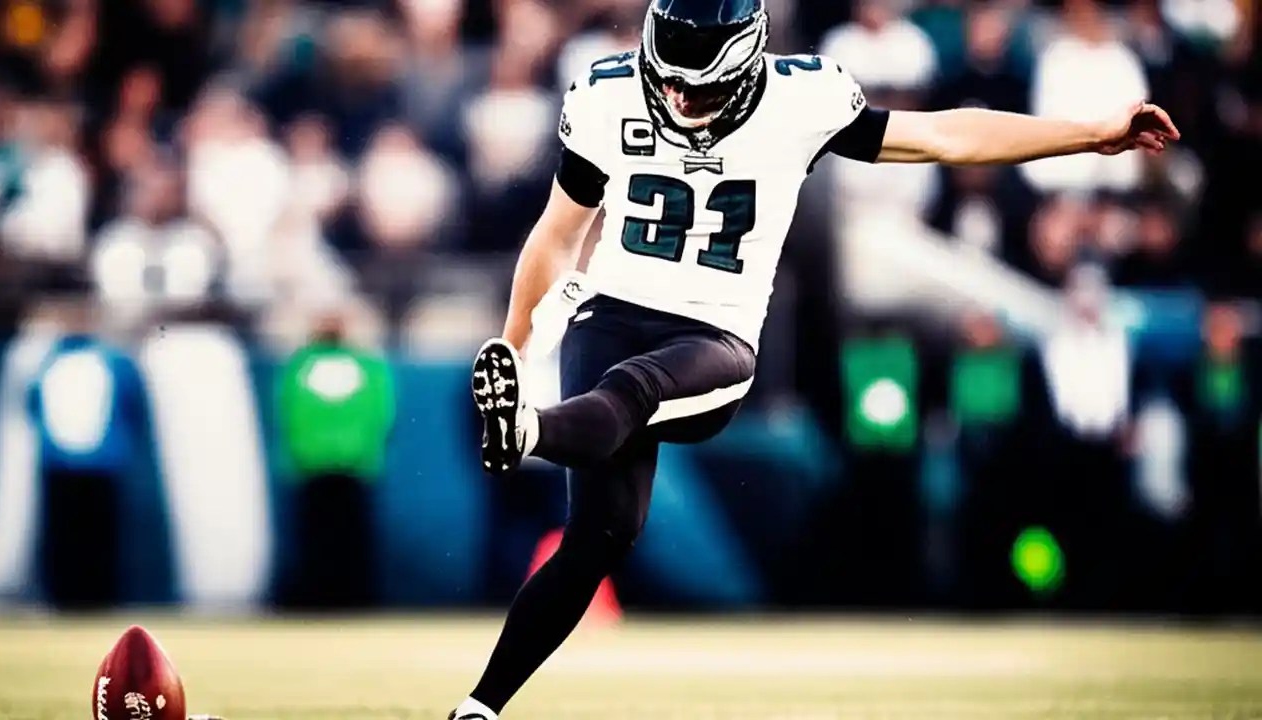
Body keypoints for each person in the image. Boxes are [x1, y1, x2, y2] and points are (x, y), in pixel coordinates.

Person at [453, 0, 1179, 717]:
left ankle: (529, 432)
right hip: (607, 318)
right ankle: (480, 708)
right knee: (597, 539)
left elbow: (945, 137)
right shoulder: (607, 94)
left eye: (697, 87)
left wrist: (1087, 134)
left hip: (711, 333)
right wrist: (515, 348)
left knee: (633, 390)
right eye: (665, 81)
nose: (677, 98)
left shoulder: (802, 99)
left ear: (743, 67)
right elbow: (556, 233)